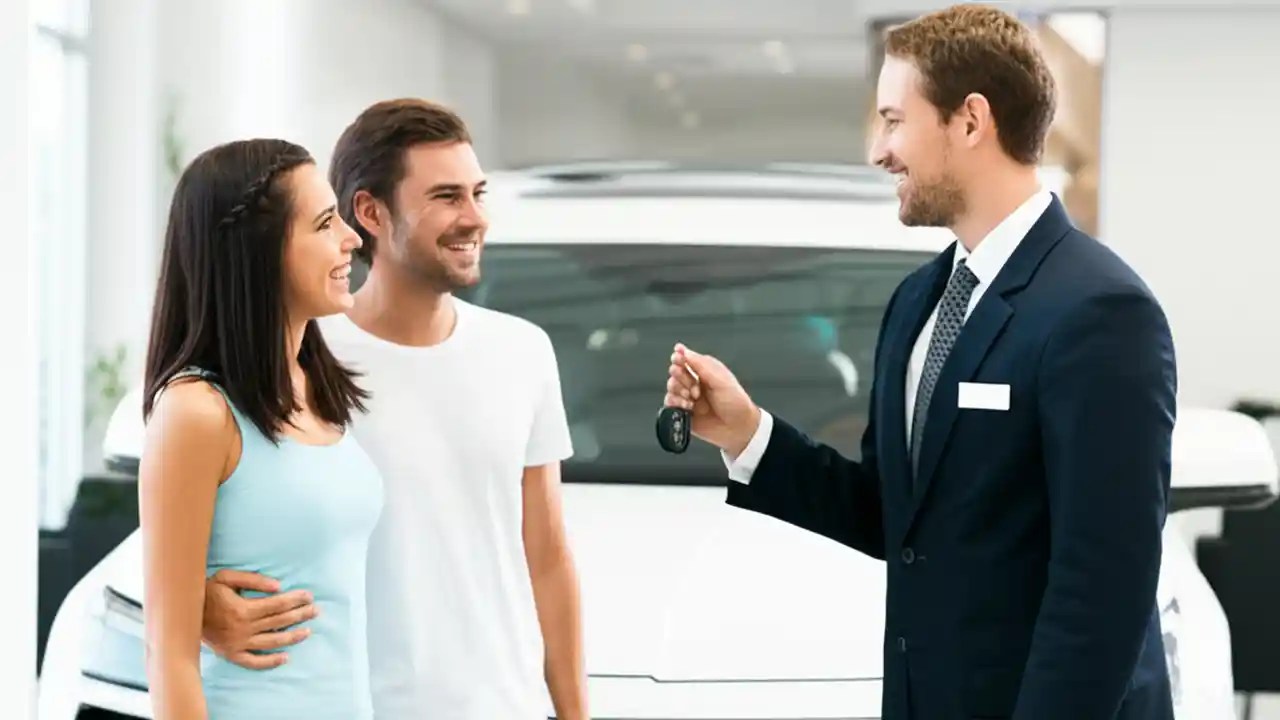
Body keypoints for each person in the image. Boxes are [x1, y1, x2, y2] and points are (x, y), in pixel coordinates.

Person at [663, 6, 1176, 720]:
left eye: (894, 120)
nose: (880, 151)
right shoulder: (917, 302)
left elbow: (1103, 591)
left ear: (970, 121)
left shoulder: (1101, 312)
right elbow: (897, 521)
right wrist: (750, 434)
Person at [196, 99, 588, 720]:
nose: (474, 218)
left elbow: (548, 556)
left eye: (477, 193)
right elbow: (194, 511)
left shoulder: (524, 352)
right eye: (447, 197)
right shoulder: (300, 354)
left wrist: (574, 714)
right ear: (370, 213)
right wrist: (195, 605)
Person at [138, 138, 384, 719]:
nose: (351, 238)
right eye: (326, 224)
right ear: (260, 251)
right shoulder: (198, 412)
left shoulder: (316, 386)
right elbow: (167, 653)